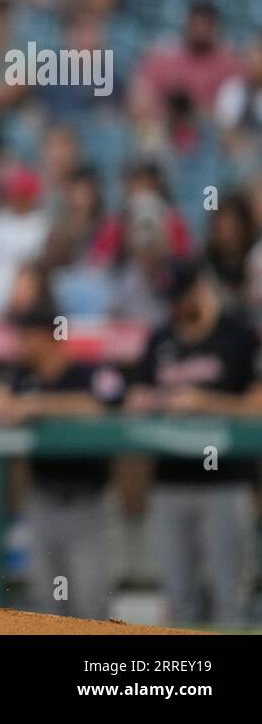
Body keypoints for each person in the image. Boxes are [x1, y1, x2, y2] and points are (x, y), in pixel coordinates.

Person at [124, 260, 262, 627]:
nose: (175, 307)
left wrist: (206, 402)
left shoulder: (237, 334)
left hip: (225, 483)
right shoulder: (161, 337)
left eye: (182, 297)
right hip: (170, 481)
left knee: (229, 597)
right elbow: (134, 392)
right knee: (179, 600)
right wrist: (146, 400)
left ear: (201, 288)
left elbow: (257, 403)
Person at [0, 298, 122, 620]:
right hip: (43, 501)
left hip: (89, 505)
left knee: (91, 607)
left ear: (48, 337)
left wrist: (34, 406)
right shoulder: (19, 375)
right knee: (47, 607)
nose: (21, 345)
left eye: (27, 336)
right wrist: (4, 399)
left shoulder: (86, 371)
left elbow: (101, 406)